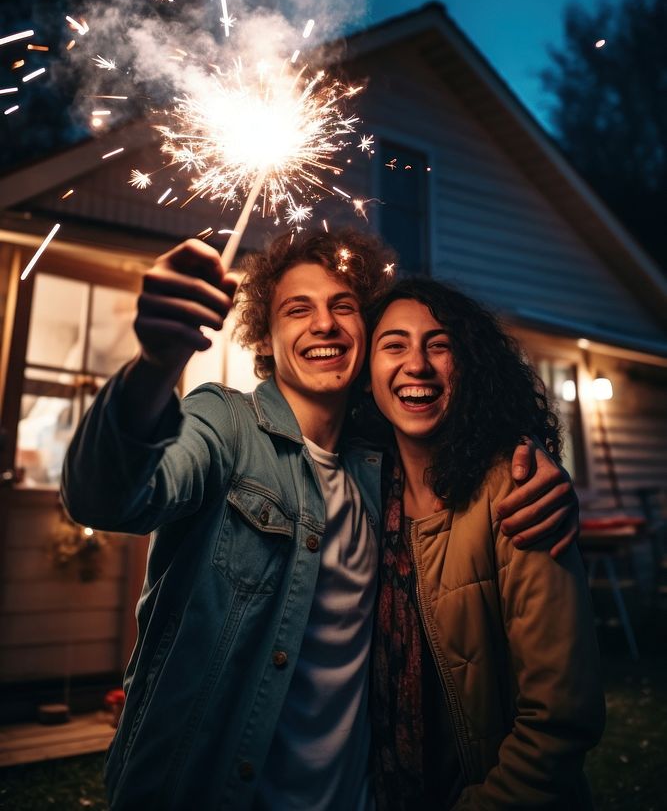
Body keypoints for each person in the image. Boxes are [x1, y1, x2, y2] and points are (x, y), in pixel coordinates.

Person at [62, 230, 578, 811]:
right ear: (265, 334)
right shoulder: (224, 425)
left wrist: (534, 460)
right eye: (297, 309)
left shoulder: (380, 469)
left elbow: (452, 430)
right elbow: (106, 498)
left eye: (343, 307)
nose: (324, 325)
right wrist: (155, 364)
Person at [366, 278, 605, 810]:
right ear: (366, 376)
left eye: (440, 343)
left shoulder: (518, 490)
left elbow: (560, 718)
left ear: (469, 364)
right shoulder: (361, 496)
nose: (418, 364)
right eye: (394, 344)